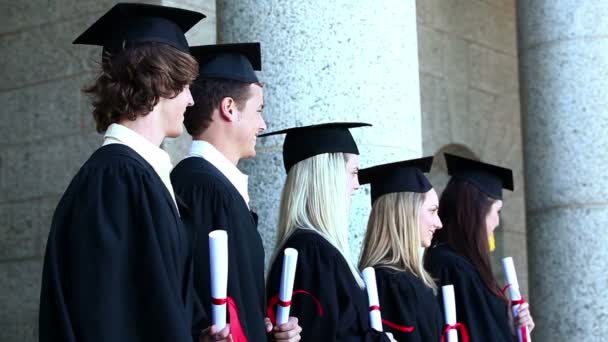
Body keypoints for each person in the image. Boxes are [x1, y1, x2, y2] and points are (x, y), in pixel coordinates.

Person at [38, 3, 210, 341]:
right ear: (161, 80)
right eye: (187, 85)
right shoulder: (118, 179)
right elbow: (118, 317)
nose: (191, 100)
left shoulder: (138, 175)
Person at [171, 43, 300, 342]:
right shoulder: (202, 187)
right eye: (258, 110)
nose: (263, 124)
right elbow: (202, 304)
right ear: (229, 108)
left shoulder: (211, 184)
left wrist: (265, 329)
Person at [262, 122, 394, 341]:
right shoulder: (313, 253)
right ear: (327, 177)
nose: (357, 184)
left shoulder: (312, 249)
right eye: (353, 172)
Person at [424, 153, 535, 341]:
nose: (498, 222)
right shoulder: (452, 266)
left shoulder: (462, 264)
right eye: (497, 211)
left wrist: (512, 325)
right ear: (477, 211)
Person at [358, 157, 444, 342]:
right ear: (406, 213)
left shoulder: (398, 280)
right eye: (432, 211)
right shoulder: (394, 285)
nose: (439, 223)